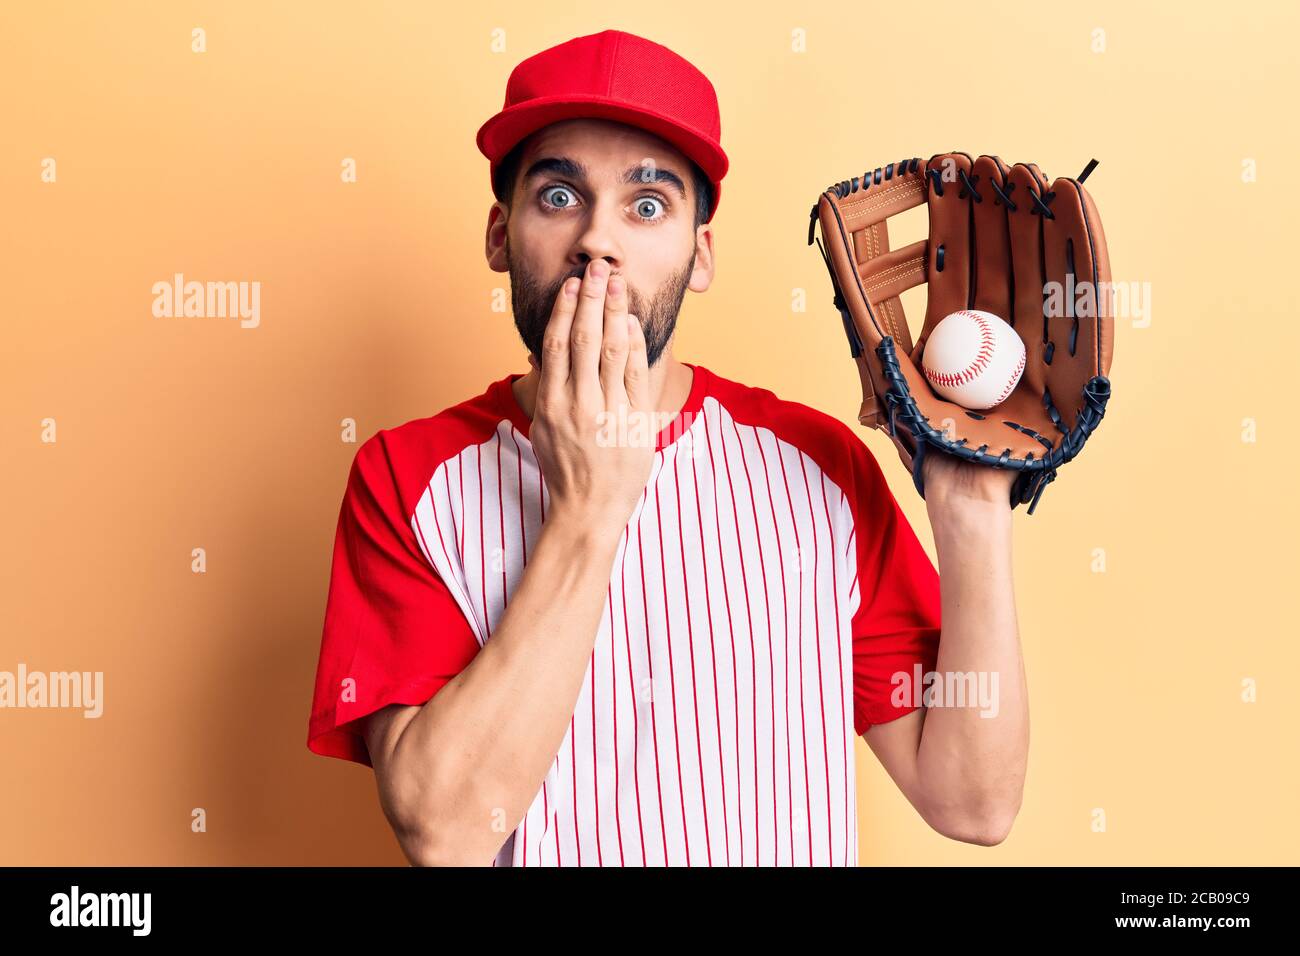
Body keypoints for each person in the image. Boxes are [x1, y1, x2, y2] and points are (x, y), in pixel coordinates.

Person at [306, 29, 1027, 867]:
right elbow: (444, 831)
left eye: (648, 205)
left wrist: (971, 509)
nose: (597, 241)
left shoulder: (820, 468)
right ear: (500, 236)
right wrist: (589, 507)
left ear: (701, 253)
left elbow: (974, 803)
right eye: (557, 197)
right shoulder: (405, 477)